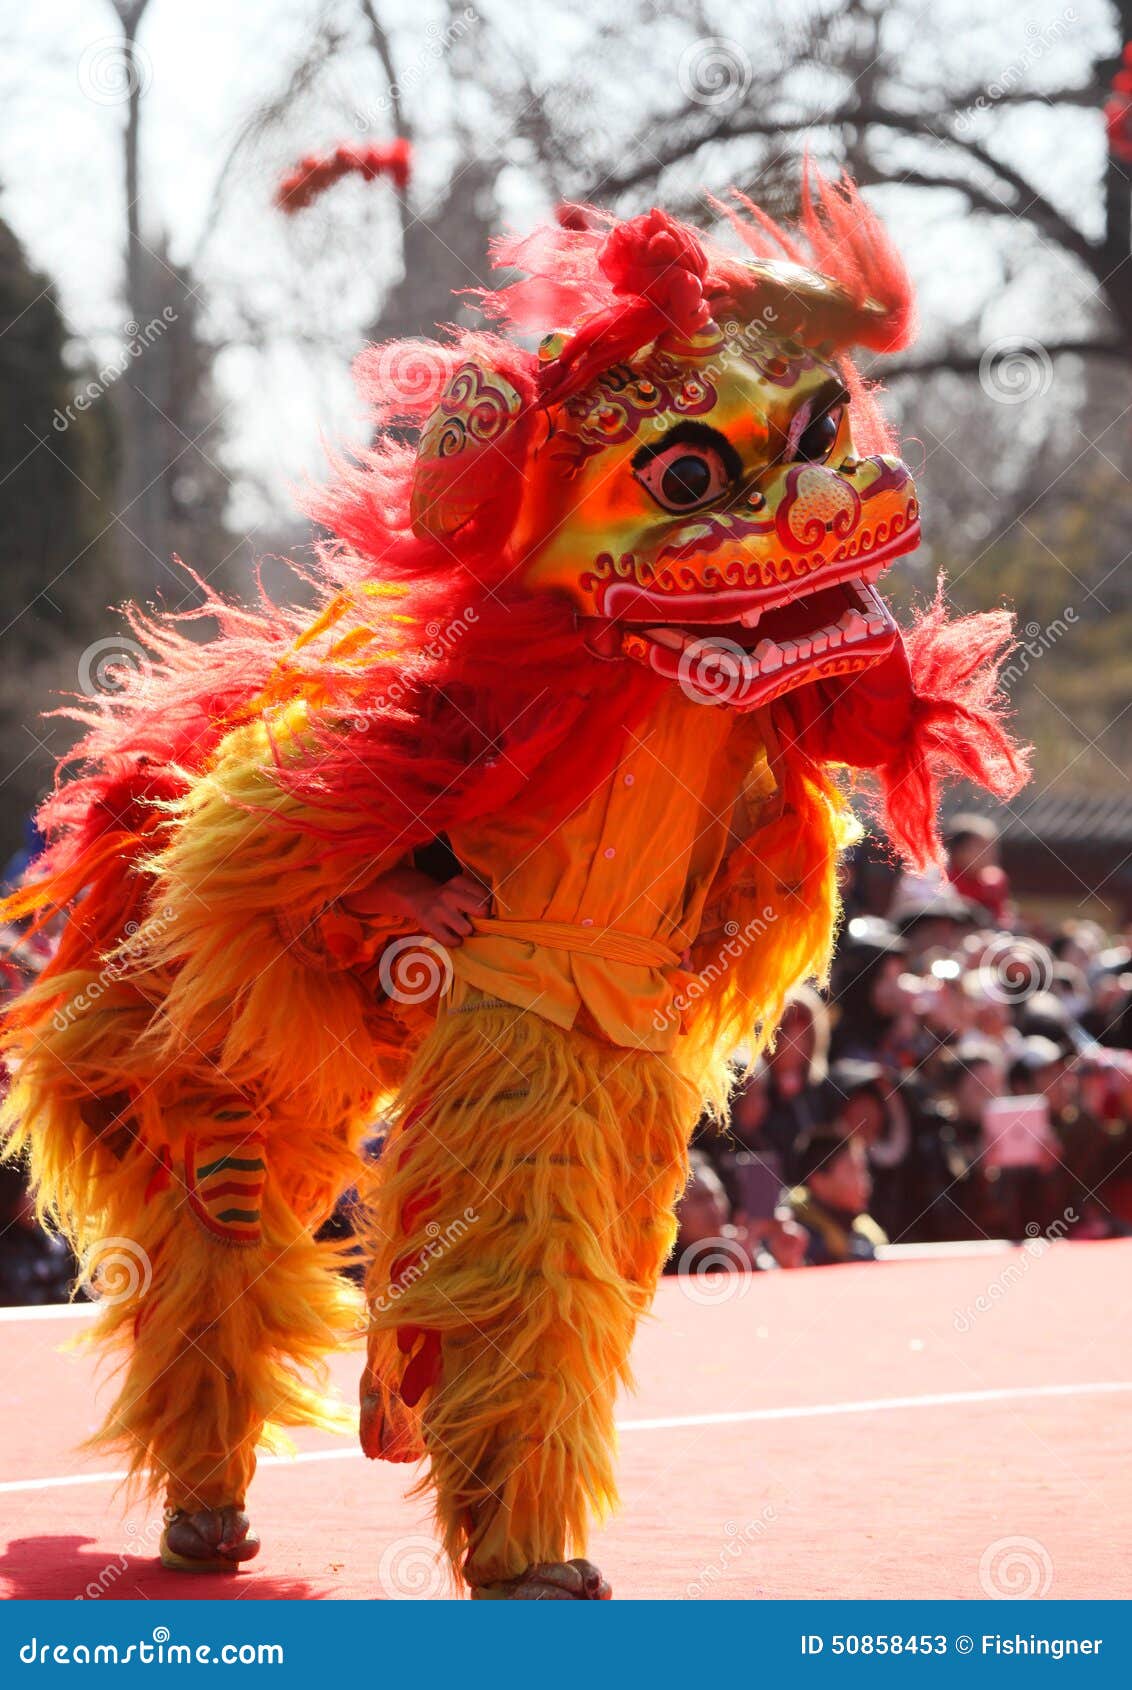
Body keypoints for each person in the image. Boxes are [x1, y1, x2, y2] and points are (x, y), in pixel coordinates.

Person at [0, 174, 1025, 1596]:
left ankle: (435, 1404)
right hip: (505, 982)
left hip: (623, 1008)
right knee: (270, 1198)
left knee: (598, 1258)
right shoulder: (495, 685)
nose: (796, 499)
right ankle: (454, 1524)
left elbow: (855, 743)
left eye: (809, 441)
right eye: (693, 475)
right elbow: (263, 822)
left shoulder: (776, 684)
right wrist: (395, 902)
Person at [786, 1131, 887, 1265]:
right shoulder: (796, 1240)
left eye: (863, 1170)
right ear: (819, 1181)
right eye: (852, 1170)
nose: (864, 1182)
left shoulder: (866, 1234)